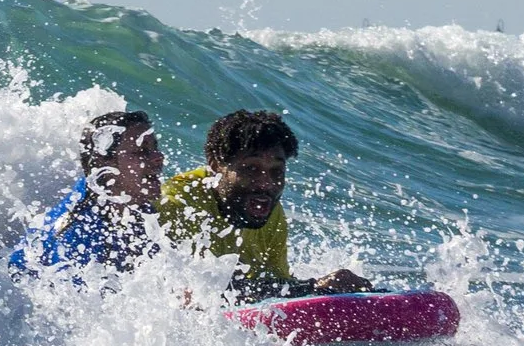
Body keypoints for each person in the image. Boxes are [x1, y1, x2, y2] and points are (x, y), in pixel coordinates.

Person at [157, 109, 372, 301]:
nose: (266, 184)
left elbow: (278, 289)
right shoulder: (178, 203)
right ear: (216, 164)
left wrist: (327, 289)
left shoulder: (270, 212)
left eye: (276, 172)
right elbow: (188, 292)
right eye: (251, 169)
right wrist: (312, 287)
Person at [10, 110, 165, 279]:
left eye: (155, 147)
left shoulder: (135, 207)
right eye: (141, 151)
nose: (158, 157)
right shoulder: (76, 232)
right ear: (104, 164)